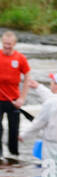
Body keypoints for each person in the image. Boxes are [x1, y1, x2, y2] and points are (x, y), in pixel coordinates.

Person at [1, 32, 30, 160]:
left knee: (14, 130)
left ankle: (13, 156)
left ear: (14, 44)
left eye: (10, 44)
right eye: (5, 44)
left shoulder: (20, 58)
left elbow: (28, 77)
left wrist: (22, 98)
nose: (7, 46)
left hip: (14, 100)